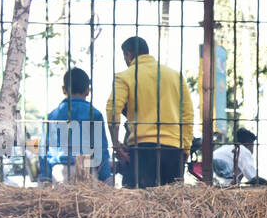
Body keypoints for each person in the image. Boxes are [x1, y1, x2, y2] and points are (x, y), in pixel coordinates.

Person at [106, 36, 194, 188]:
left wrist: (116, 144)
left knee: (137, 206)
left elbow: (112, 109)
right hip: (173, 149)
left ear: (128, 54)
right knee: (170, 206)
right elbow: (188, 115)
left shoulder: (125, 76)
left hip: (141, 149)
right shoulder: (175, 76)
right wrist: (185, 148)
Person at [44, 68, 112, 183]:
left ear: (64, 90)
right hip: (88, 168)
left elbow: (46, 149)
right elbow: (100, 149)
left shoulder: (53, 116)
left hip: (60, 170)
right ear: (88, 90)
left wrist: (44, 176)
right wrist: (106, 176)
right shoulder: (94, 114)